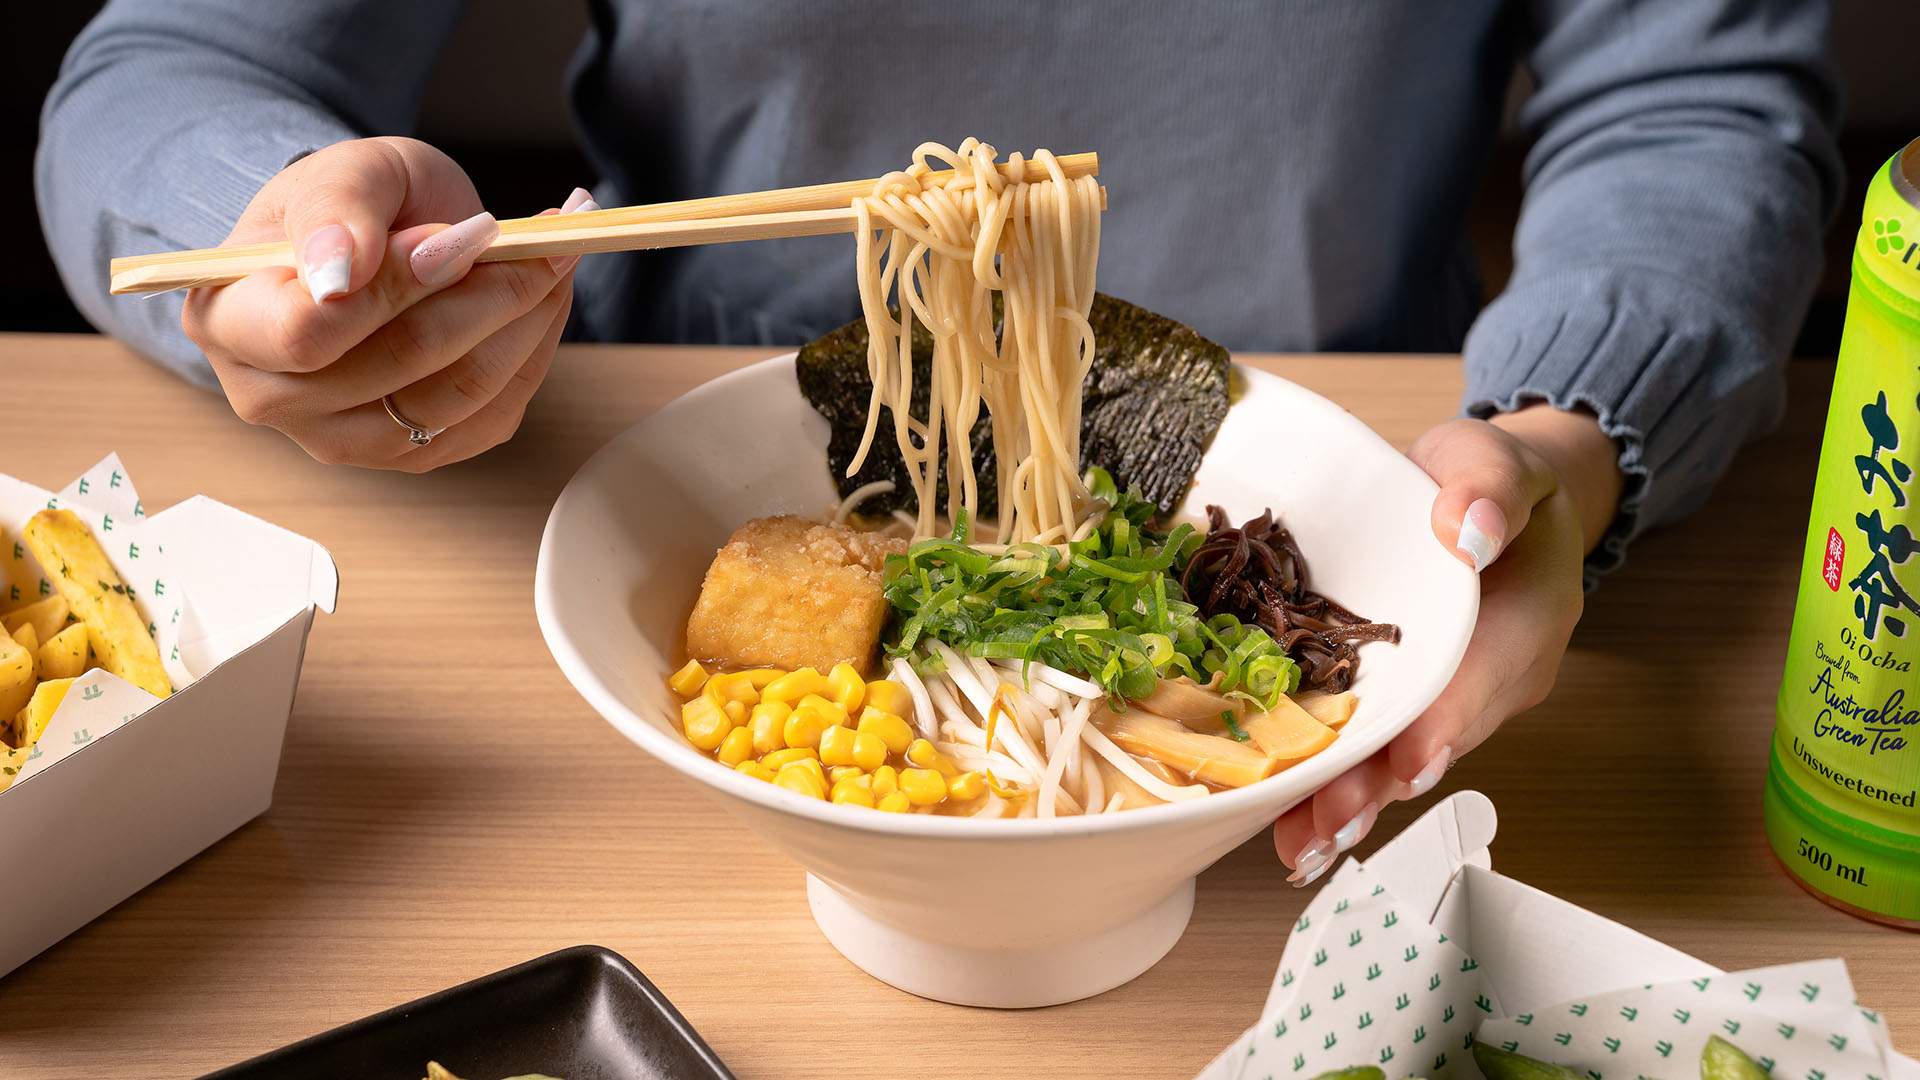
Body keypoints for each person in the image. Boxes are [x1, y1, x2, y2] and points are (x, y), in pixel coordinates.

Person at [36, 1, 1841, 884]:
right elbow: (170, 63)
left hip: (1347, 449)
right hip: (640, 478)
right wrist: (276, 240)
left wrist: (1572, 434)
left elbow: (1696, 96)